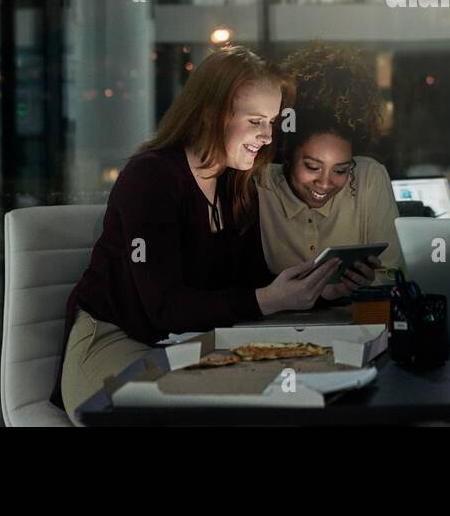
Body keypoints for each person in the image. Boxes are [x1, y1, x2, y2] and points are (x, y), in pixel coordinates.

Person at [52, 44, 344, 425]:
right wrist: (267, 300)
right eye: (256, 121)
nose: (268, 136)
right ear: (210, 114)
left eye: (271, 122)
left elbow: (250, 285)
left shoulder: (235, 185)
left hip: (184, 347)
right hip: (116, 340)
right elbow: (164, 309)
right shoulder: (151, 177)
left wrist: (316, 291)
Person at [257, 43, 403, 292]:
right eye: (312, 167)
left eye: (341, 170)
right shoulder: (260, 184)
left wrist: (372, 283)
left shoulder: (369, 178)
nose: (325, 183)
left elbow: (394, 275)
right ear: (289, 155)